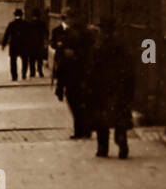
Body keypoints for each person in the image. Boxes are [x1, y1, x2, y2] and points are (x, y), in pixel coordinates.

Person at [87, 18, 135, 159]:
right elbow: (129, 67)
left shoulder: (98, 46)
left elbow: (92, 68)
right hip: (119, 85)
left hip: (102, 87)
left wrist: (90, 86)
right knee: (120, 117)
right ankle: (122, 143)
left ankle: (103, 148)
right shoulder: (122, 45)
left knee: (102, 119)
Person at [57, 13, 94, 139]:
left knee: (77, 102)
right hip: (76, 74)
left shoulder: (80, 34)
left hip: (77, 74)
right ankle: (83, 129)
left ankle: (82, 129)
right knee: (78, 102)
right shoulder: (76, 33)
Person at [0, 8, 29, 81]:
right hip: (24, 44)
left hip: (14, 45)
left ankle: (14, 76)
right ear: (22, 15)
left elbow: (7, 34)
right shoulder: (26, 24)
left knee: (13, 61)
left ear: (15, 15)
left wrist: (4, 44)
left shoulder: (11, 24)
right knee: (24, 60)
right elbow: (30, 36)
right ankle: (24, 74)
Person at [28, 11, 48, 77]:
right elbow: (46, 32)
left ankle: (32, 73)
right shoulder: (42, 23)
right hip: (39, 43)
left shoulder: (30, 24)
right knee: (39, 59)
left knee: (32, 59)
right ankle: (40, 71)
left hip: (31, 44)